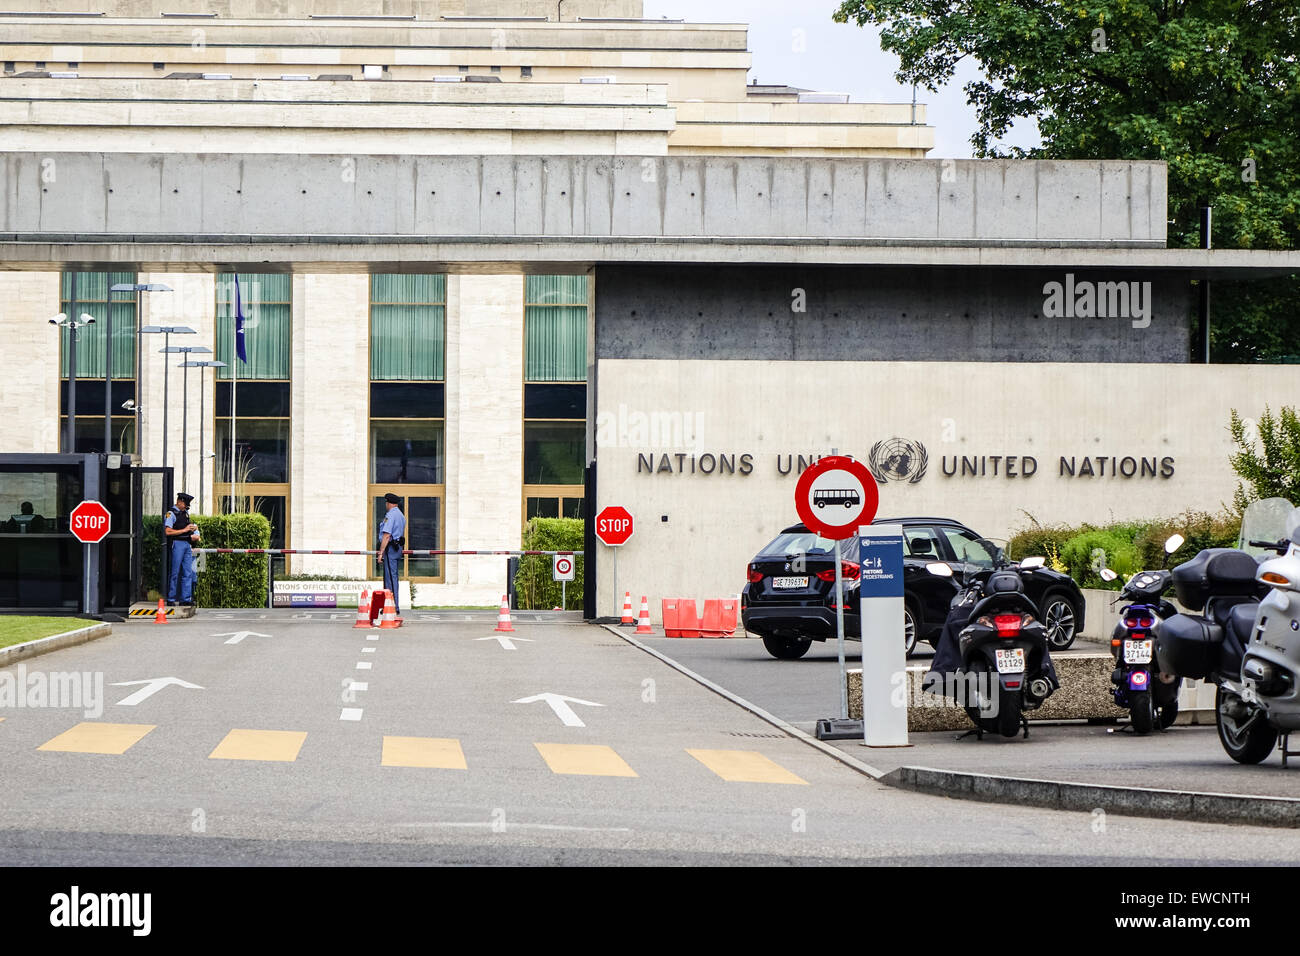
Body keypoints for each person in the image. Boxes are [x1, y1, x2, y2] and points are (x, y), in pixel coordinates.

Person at [164, 492, 199, 607]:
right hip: (177, 544)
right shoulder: (171, 514)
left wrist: (194, 529)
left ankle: (185, 598)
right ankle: (171, 598)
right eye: (185, 504)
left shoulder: (185, 513)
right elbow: (168, 531)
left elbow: (187, 528)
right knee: (175, 572)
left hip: (187, 544)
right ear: (179, 501)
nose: (186, 507)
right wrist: (184, 530)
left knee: (187, 572)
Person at [377, 492, 406, 614]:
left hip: (390, 549)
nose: (386, 505)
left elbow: (387, 535)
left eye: (386, 503)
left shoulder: (391, 515)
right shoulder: (400, 515)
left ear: (389, 503)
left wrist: (381, 552)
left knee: (390, 578)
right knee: (391, 577)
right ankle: (389, 605)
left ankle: (392, 606)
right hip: (397, 547)